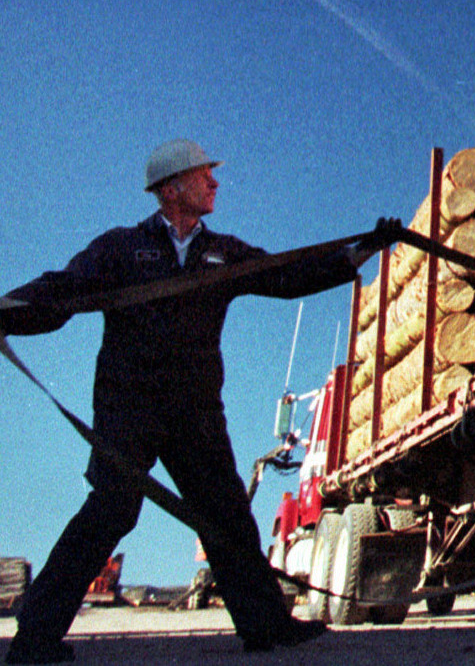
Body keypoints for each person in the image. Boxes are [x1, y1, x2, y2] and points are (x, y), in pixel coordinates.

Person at [1, 139, 369, 663]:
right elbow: (61, 292)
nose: (215, 183)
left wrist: (355, 256)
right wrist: (7, 310)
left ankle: (267, 626)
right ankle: (34, 640)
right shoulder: (121, 248)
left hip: (195, 410)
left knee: (225, 511)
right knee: (110, 511)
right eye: (204, 176)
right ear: (172, 189)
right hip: (128, 407)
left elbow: (284, 276)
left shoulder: (223, 250)